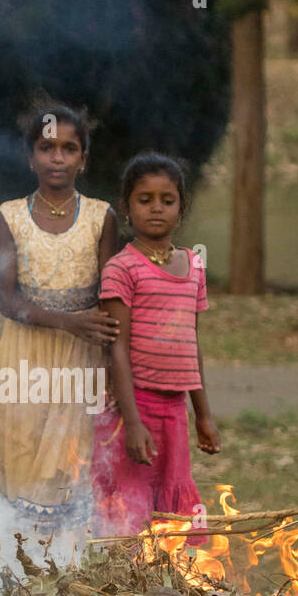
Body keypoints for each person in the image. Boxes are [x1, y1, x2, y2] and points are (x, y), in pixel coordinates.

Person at [0, 99, 119, 529]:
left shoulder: (100, 216)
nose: (57, 157)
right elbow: (7, 300)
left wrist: (110, 363)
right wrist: (70, 322)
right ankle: (17, 555)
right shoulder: (10, 216)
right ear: (30, 157)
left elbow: (112, 297)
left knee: (71, 457)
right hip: (25, 352)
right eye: (46, 147)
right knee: (21, 446)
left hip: (84, 356)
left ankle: (67, 558)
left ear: (83, 159)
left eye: (69, 149)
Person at [91, 153, 219, 540]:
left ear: (181, 207)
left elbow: (190, 342)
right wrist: (131, 423)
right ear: (127, 208)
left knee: (173, 516)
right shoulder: (122, 268)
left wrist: (204, 415)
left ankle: (168, 592)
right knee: (130, 512)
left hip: (175, 410)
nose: (157, 209)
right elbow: (117, 348)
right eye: (145, 200)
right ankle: (127, 592)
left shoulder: (193, 265)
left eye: (167, 200)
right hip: (134, 407)